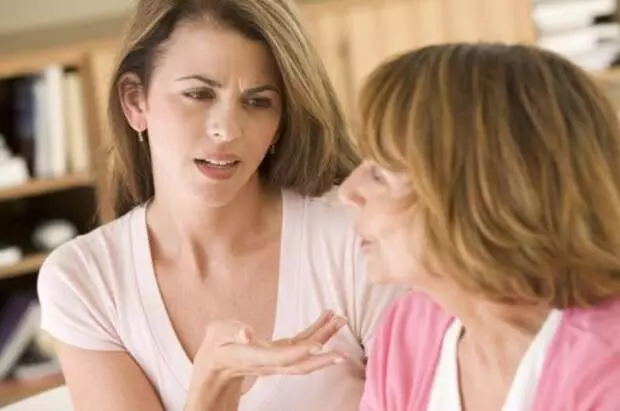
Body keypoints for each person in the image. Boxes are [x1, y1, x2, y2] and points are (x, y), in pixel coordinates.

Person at [36, 0, 403, 410]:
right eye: (198, 94)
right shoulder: (86, 281)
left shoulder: (356, 240)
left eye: (257, 101)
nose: (226, 130)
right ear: (135, 102)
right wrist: (213, 384)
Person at [337, 43, 620, 410]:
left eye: (379, 174)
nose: (347, 192)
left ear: (482, 194)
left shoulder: (607, 367)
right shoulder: (409, 329)